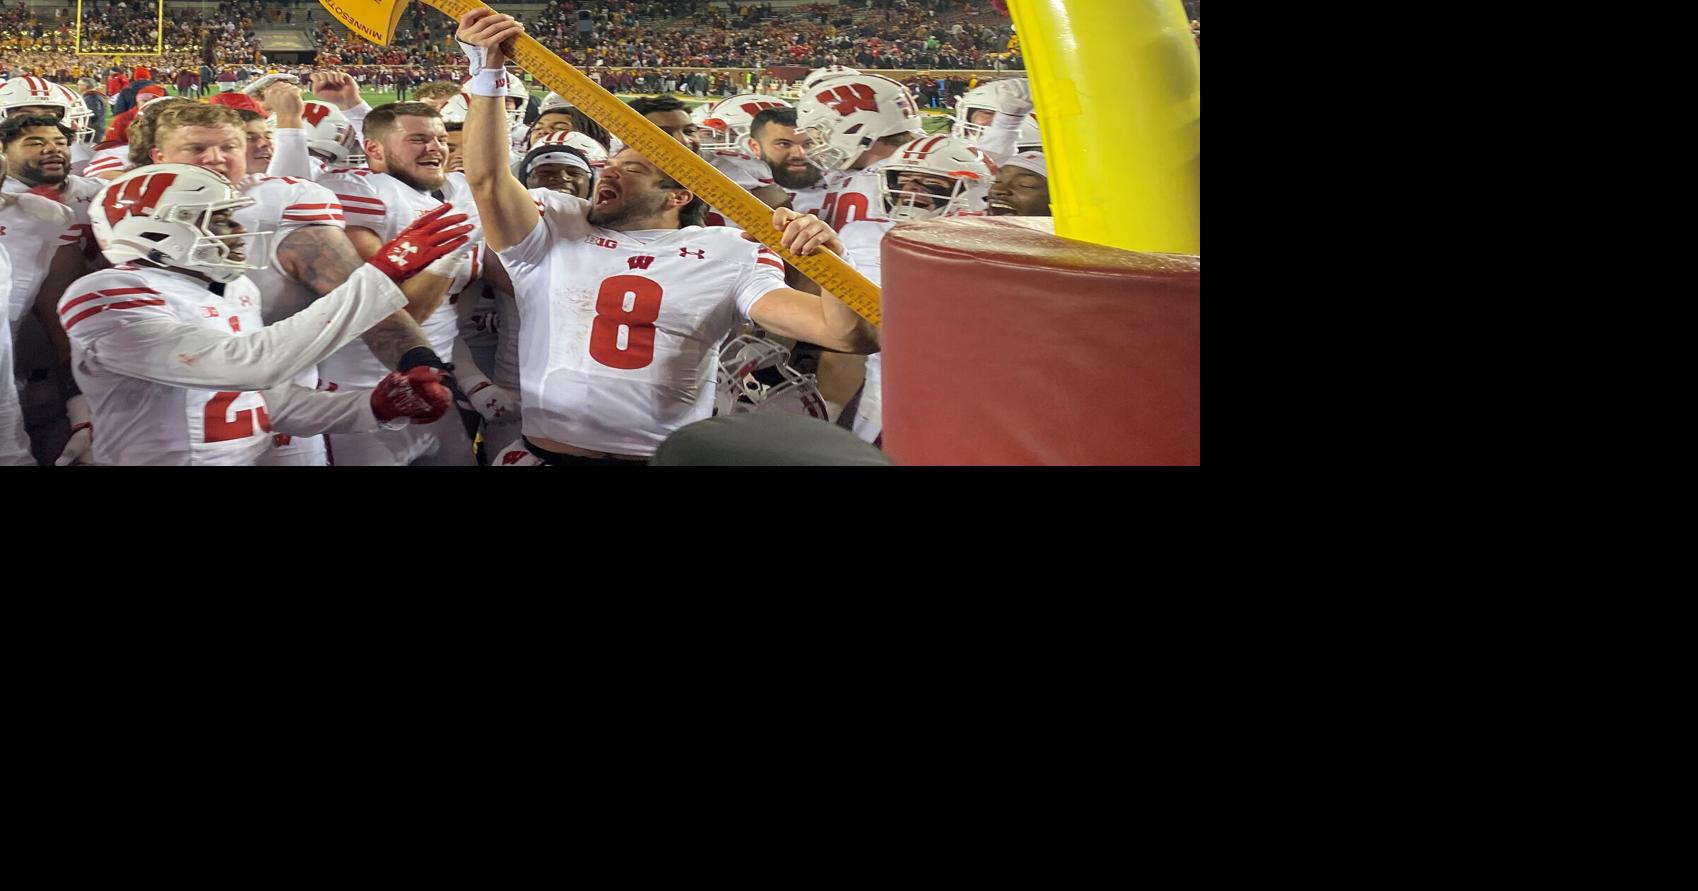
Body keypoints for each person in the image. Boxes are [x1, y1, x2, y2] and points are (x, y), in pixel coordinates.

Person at [455, 7, 877, 464]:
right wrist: (486, 73)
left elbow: (846, 336)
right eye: (610, 165)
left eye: (632, 169)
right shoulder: (557, 225)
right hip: (546, 454)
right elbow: (489, 179)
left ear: (677, 196)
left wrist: (832, 260)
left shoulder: (728, 251)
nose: (609, 172)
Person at [64, 164, 472, 465]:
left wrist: (372, 407)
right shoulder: (108, 292)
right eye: (219, 219)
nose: (238, 230)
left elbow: (256, 401)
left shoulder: (232, 289)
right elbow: (247, 367)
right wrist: (380, 275)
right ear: (155, 230)